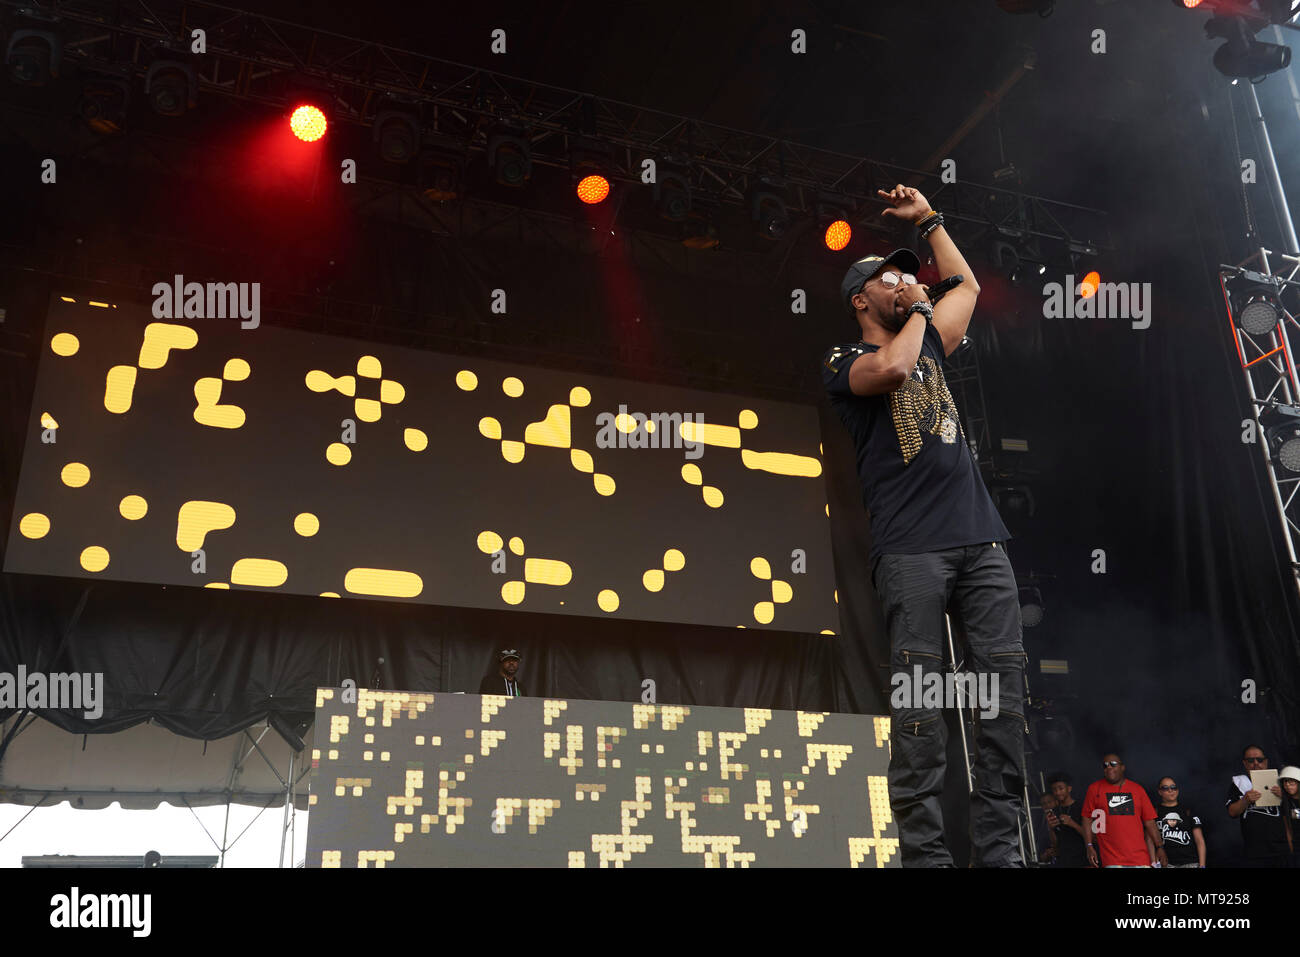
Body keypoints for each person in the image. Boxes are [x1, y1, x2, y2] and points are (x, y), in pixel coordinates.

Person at [821, 184, 1024, 867]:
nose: (908, 280)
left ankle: (1002, 855)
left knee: (1001, 702)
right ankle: (927, 860)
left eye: (909, 272)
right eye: (891, 277)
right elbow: (897, 365)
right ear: (860, 298)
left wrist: (932, 221)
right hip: (912, 552)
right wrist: (922, 306)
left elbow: (965, 281)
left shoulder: (930, 330)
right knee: (920, 710)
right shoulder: (845, 362)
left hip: (981, 541)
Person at [1080, 753, 1166, 868]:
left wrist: (1159, 847)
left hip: (1140, 859)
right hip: (1112, 860)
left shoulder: (1137, 789)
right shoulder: (1094, 789)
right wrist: (1089, 846)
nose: (1109, 767)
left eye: (1113, 764)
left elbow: (1149, 822)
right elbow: (1087, 819)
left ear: (1122, 767)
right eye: (1105, 765)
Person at [1226, 744, 1287, 867]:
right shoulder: (1239, 783)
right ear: (1245, 763)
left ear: (1266, 761)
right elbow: (1232, 812)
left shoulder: (1282, 782)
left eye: (1259, 760)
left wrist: (1285, 797)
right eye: (1250, 760)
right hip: (1254, 852)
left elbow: (1296, 811)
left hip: (1282, 850)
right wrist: (1245, 800)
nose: (1256, 763)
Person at [1153, 776, 1205, 868]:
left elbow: (1199, 840)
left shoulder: (1187, 811)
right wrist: (1154, 861)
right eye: (1165, 788)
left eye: (1173, 787)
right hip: (1166, 863)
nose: (1170, 790)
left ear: (1177, 790)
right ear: (1159, 792)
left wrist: (1202, 865)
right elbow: (1149, 838)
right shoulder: (1155, 812)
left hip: (1190, 862)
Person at [1044, 771, 1088, 868]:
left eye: (1061, 788)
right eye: (1054, 790)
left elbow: (1092, 838)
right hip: (1064, 861)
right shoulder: (1053, 812)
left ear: (1069, 789)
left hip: (1083, 860)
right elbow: (1055, 845)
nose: (1057, 792)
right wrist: (1050, 828)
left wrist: (1073, 824)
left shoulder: (1081, 807)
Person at [1279, 765, 1300, 867]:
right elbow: (1287, 828)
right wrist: (1291, 848)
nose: (1288, 785)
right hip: (1296, 847)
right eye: (1285, 782)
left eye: (1292, 782)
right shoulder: (1286, 803)